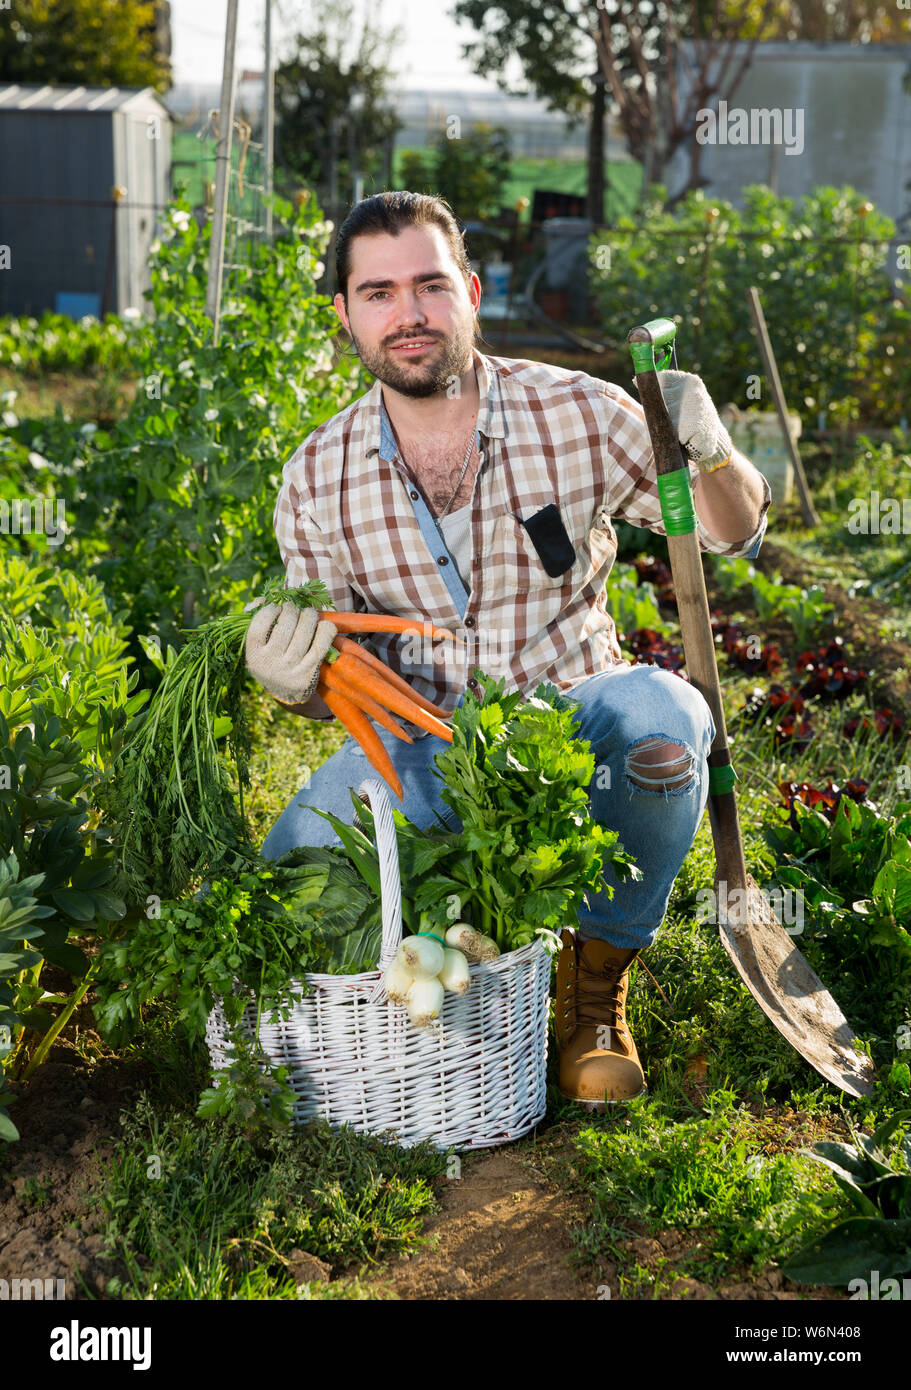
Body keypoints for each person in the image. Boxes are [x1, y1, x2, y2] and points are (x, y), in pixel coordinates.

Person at [245, 190, 771, 1108]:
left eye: (428, 286)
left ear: (472, 292)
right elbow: (332, 678)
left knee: (665, 721)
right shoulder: (314, 478)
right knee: (291, 860)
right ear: (344, 315)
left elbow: (731, 532)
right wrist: (294, 682)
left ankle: (594, 987)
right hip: (428, 747)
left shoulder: (578, 413)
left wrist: (713, 451)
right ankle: (447, 953)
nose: (406, 314)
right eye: (377, 293)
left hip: (577, 727)